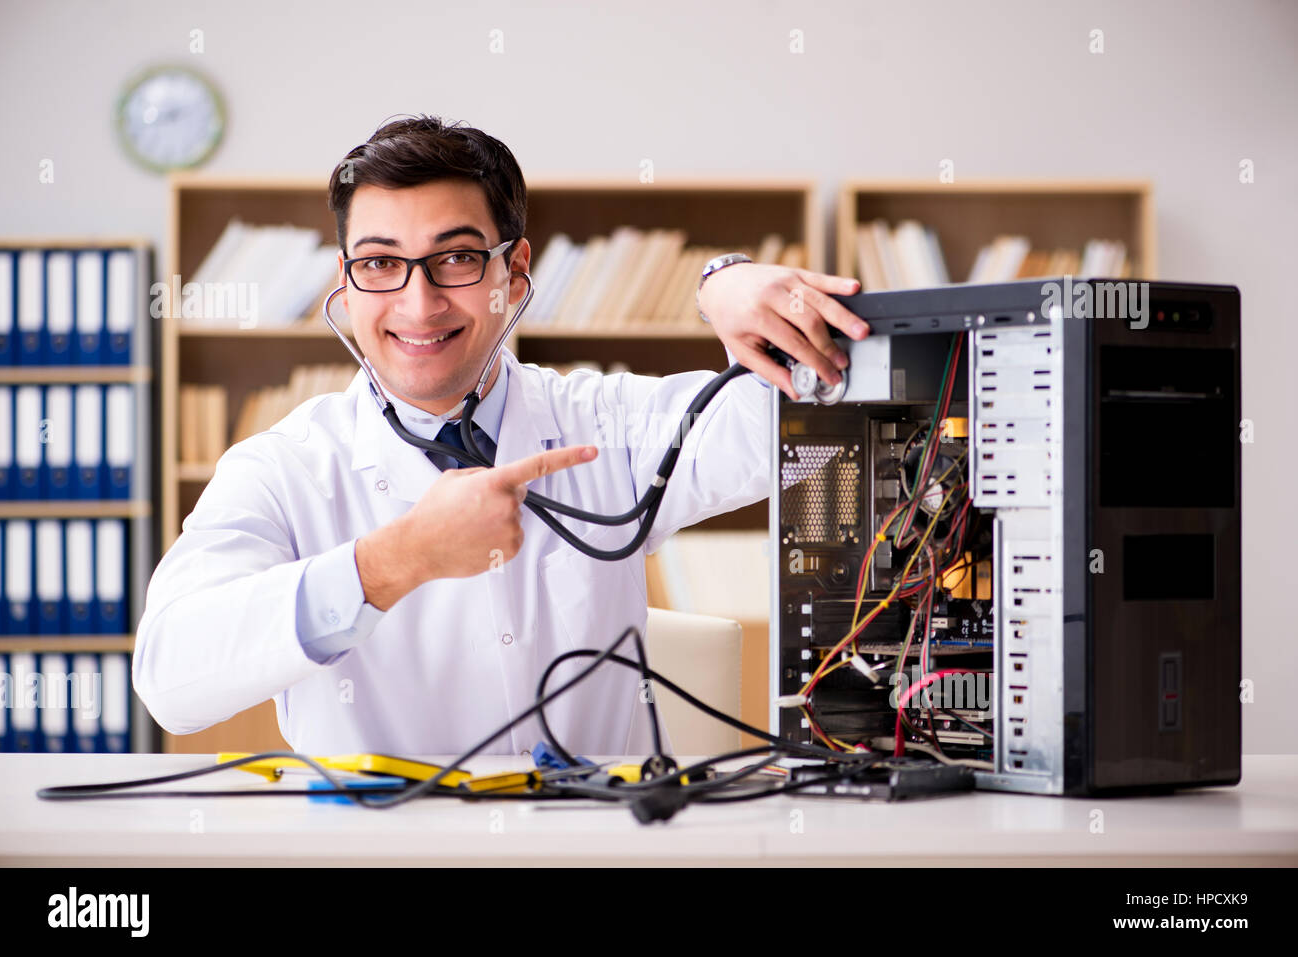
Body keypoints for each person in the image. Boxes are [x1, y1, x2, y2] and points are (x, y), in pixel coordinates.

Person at [133, 114, 869, 756]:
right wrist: (396, 560)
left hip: (595, 847)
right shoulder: (282, 468)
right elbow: (171, 677)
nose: (418, 305)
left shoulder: (606, 422)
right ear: (347, 282)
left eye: (455, 258)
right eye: (381, 263)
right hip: (380, 852)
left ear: (514, 272)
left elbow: (829, 419)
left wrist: (725, 285)